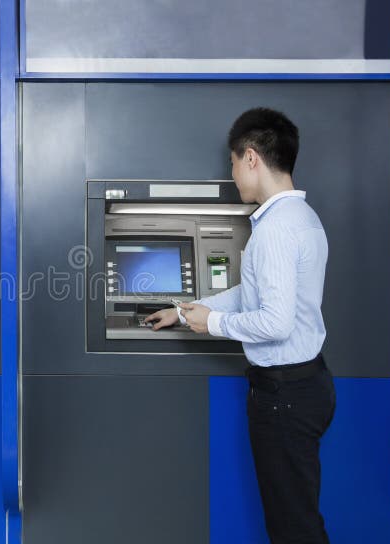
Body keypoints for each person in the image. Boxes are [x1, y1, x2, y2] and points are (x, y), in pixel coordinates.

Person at [146, 108, 335, 543]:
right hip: (308, 384)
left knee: (293, 528)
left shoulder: (274, 230)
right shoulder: (302, 218)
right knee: (297, 516)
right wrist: (185, 310)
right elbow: (255, 295)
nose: (231, 176)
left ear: (251, 157)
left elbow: (276, 322)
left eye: (232, 163)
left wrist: (212, 323)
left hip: (284, 397)